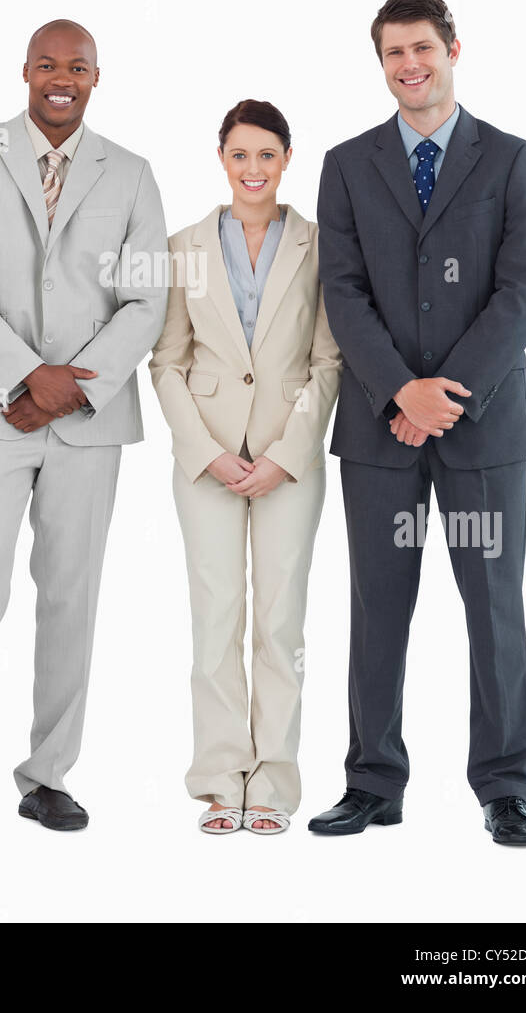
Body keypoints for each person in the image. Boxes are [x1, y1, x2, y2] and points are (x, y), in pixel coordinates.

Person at [0, 19, 168, 840]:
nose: (63, 78)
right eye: (49, 65)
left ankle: (48, 774)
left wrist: (64, 389)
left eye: (79, 67)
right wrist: (24, 375)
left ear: (97, 77)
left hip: (87, 420)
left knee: (70, 595)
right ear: (26, 70)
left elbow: (147, 298)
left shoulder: (130, 174)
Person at [311, 0, 526, 845]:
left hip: (483, 427)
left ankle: (506, 787)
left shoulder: (512, 159)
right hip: (379, 431)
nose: (409, 65)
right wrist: (396, 391)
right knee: (378, 605)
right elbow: (342, 289)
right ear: (380, 65)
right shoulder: (346, 163)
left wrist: (442, 396)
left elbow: (521, 295)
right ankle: (373, 780)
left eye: (422, 48)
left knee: (494, 603)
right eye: (393, 54)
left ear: (454, 48)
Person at [149, 100, 341, 835]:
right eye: (240, 155)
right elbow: (166, 361)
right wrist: (206, 452)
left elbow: (328, 359)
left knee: (280, 620)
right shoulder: (184, 246)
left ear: (287, 158)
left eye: (267, 154)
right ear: (221, 158)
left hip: (289, 459)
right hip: (208, 460)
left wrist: (288, 455)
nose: (253, 169)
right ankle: (220, 780)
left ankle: (275, 785)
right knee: (216, 616)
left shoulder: (322, 245)